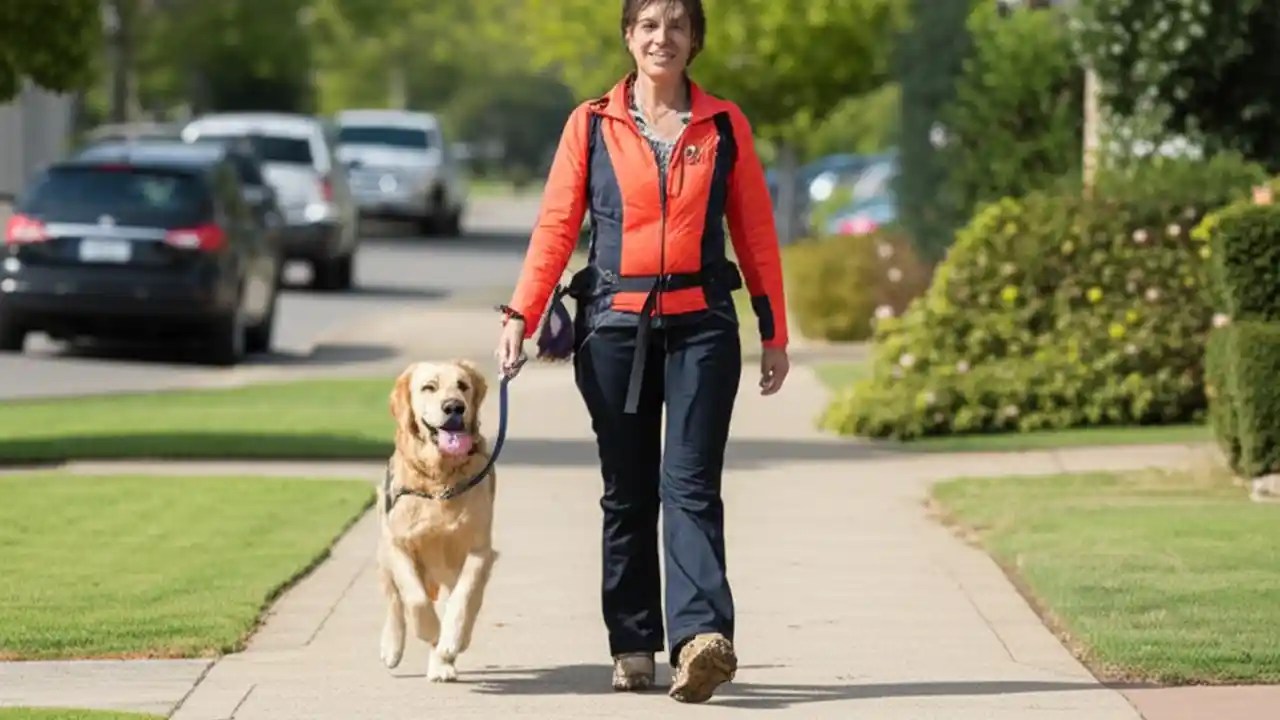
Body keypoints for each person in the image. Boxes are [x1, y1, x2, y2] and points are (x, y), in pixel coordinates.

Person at [494, 0, 789, 704]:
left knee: (691, 485)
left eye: (678, 25)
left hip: (703, 325)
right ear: (629, 37)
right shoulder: (590, 123)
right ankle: (632, 644)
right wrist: (521, 314)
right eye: (649, 24)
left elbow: (754, 232)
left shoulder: (725, 125)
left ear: (695, 41)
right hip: (614, 327)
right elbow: (558, 225)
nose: (664, 37)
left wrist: (772, 331)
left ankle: (700, 641)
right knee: (627, 493)